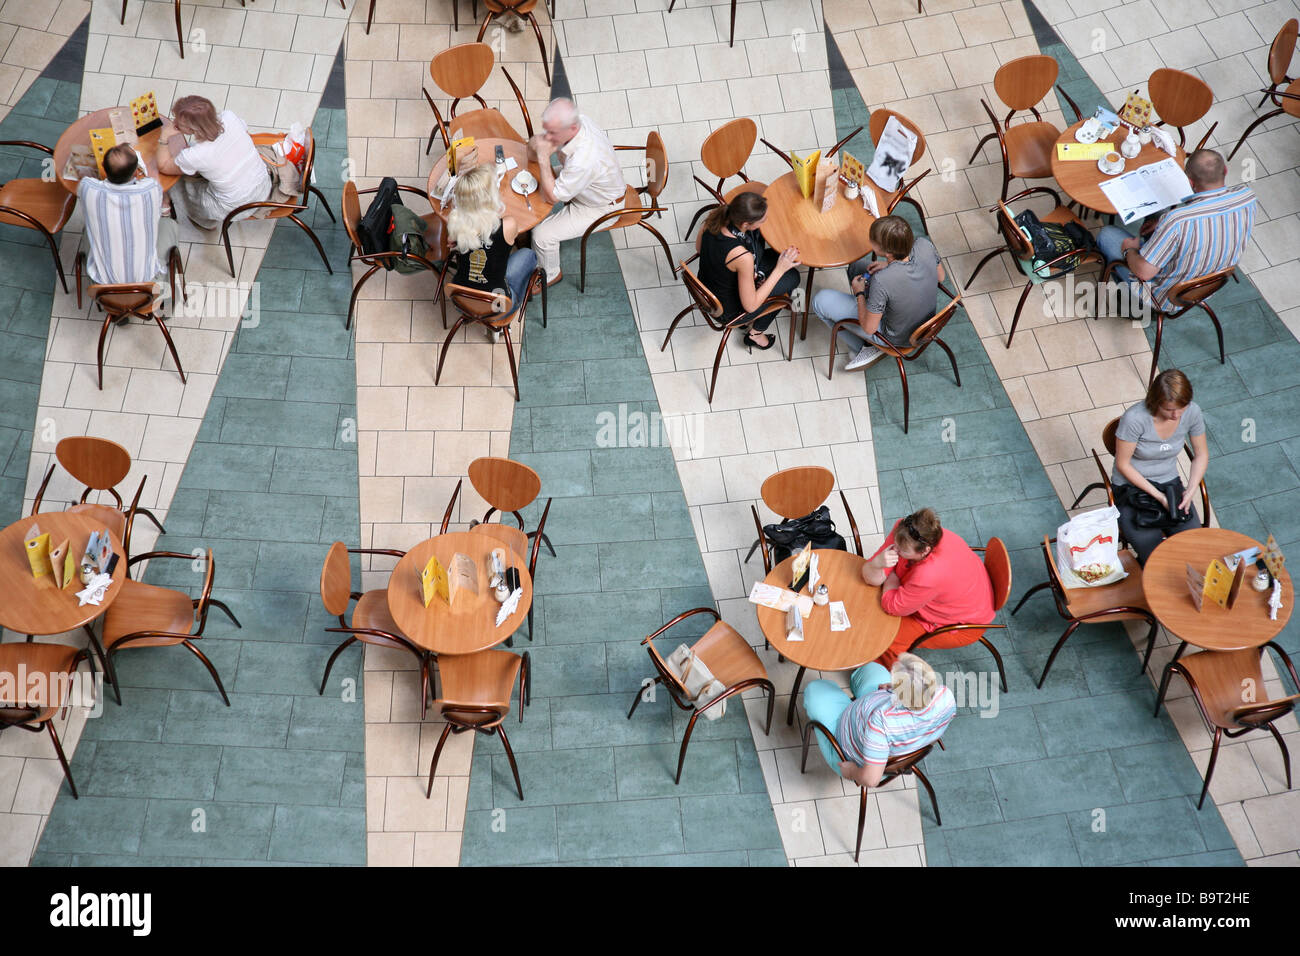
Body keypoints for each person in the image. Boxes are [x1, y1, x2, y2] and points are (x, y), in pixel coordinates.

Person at [1096, 149, 1256, 309]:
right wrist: (1164, 225)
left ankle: (1137, 303)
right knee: (1162, 213)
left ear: (1190, 182)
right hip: (1205, 288)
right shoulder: (1247, 197)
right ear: (1225, 171)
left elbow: (1144, 273)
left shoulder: (1177, 221)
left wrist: (1129, 251)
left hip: (1164, 297)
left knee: (1107, 235)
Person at [861, 508, 994, 669]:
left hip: (960, 621)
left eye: (903, 550)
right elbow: (870, 574)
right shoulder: (911, 532)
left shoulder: (928, 574)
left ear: (925, 551)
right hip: (967, 590)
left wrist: (891, 575)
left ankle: (877, 678)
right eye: (895, 543)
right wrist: (878, 565)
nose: (895, 550)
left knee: (888, 639)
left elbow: (891, 606)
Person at [811, 214, 944, 371]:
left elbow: (869, 328)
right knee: (856, 268)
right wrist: (889, 265)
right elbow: (940, 277)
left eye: (873, 241)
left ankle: (865, 347)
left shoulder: (882, 281)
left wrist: (859, 293)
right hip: (923, 323)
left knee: (819, 301)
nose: (870, 241)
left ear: (887, 252)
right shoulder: (924, 244)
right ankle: (869, 339)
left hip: (896, 337)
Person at [802, 653, 955, 788]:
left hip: (846, 741)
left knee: (815, 689)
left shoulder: (881, 723)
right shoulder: (946, 696)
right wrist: (895, 688)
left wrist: (851, 771)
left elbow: (870, 780)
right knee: (871, 668)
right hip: (877, 716)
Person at [1111, 369, 1207, 564]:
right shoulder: (1134, 419)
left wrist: (1190, 489)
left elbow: (1201, 454)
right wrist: (1158, 496)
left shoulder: (1192, 412)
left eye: (1182, 407)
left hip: (1169, 482)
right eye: (1169, 409)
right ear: (1155, 402)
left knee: (1193, 544)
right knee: (1153, 554)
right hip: (1133, 485)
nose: (1176, 415)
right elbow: (1123, 464)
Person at [527, 98, 626, 286]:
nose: (548, 136)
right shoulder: (578, 121)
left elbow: (552, 196)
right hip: (584, 183)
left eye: (552, 133)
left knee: (541, 235)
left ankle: (551, 273)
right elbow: (532, 151)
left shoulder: (583, 159)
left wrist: (541, 155)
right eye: (546, 129)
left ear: (572, 129)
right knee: (532, 178)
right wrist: (539, 145)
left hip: (601, 207)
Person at [696, 191, 801, 350]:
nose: (765, 221)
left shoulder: (715, 217)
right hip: (727, 310)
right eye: (763, 220)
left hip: (707, 285)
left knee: (774, 255)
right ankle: (756, 333)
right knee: (793, 277)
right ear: (746, 224)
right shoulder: (741, 256)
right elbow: (750, 306)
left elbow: (699, 249)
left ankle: (787, 297)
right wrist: (779, 270)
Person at [156, 95, 271, 230]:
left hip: (236, 206)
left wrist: (164, 137)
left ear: (192, 129)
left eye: (178, 123)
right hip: (263, 185)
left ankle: (204, 221)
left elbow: (163, 166)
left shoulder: (196, 155)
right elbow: (245, 131)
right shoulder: (229, 117)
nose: (173, 122)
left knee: (176, 181)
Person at [77, 143, 178, 290]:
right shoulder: (151, 188)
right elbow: (152, 184)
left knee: (87, 231)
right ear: (136, 173)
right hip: (148, 284)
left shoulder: (87, 188)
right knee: (169, 225)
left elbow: (84, 180)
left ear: (104, 168)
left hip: (103, 289)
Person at [444, 163, 538, 318]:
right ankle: (517, 302)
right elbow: (509, 239)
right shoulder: (508, 224)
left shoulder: (455, 223)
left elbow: (451, 242)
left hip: (461, 302)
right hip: (498, 307)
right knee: (528, 254)